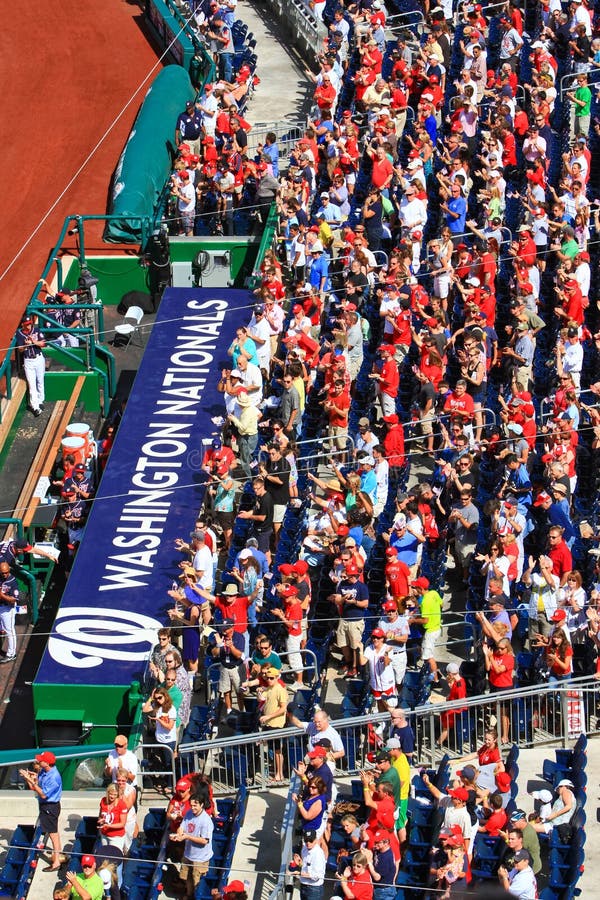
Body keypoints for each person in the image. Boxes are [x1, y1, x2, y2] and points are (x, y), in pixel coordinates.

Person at [19, 751, 64, 871]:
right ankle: (57, 855)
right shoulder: (44, 771)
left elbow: (43, 794)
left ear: (47, 763)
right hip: (44, 806)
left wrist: (29, 779)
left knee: (53, 833)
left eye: (41, 760)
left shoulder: (54, 777)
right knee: (53, 831)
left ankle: (56, 862)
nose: (39, 761)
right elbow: (36, 786)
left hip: (50, 807)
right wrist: (31, 777)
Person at [170, 793, 214, 899]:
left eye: (195, 805)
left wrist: (187, 837)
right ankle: (188, 895)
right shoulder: (189, 813)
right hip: (188, 854)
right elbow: (182, 827)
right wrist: (178, 835)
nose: (193, 808)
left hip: (200, 858)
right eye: (191, 805)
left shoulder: (206, 821)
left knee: (196, 882)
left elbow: (204, 841)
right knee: (187, 878)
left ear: (202, 805)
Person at [259, 666, 289, 782]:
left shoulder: (280, 690)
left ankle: (279, 774)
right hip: (269, 724)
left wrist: (268, 716)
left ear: (277, 678)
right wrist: (259, 693)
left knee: (278, 751)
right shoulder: (269, 688)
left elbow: (283, 708)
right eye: (267, 678)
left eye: (271, 678)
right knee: (274, 750)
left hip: (277, 725)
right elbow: (261, 699)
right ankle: (278, 773)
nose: (269, 680)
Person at [16, 315, 46, 416]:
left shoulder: (36, 330)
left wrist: (33, 342)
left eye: (30, 324)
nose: (29, 326)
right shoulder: (19, 334)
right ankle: (35, 407)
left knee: (40, 381)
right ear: (23, 325)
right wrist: (25, 345)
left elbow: (43, 344)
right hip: (28, 361)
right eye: (27, 324)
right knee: (32, 385)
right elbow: (20, 350)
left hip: (39, 358)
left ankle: (40, 401)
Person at [291, 829, 327, 900]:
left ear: (316, 840)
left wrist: (299, 873)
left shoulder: (318, 854)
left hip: (314, 889)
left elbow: (316, 876)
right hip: (303, 885)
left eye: (311, 840)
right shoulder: (304, 848)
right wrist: (300, 863)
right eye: (306, 840)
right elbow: (306, 866)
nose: (308, 843)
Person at [97, 783, 128, 851]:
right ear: (107, 793)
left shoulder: (121, 804)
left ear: (117, 795)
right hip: (104, 834)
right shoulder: (103, 801)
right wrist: (101, 820)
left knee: (114, 856)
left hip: (116, 836)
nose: (112, 796)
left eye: (115, 795)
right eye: (110, 794)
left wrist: (108, 826)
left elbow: (122, 824)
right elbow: (100, 815)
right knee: (104, 854)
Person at [0, 561, 19, 662]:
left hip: (8, 609)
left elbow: (13, 599)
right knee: (3, 629)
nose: (4, 574)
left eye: (6, 572)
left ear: (9, 570)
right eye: (2, 573)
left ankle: (11, 654)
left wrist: (2, 596)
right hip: (1, 607)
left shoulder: (13, 581)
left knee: (10, 631)